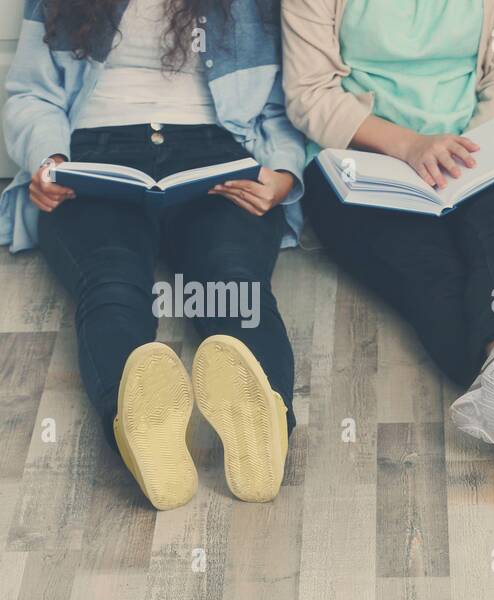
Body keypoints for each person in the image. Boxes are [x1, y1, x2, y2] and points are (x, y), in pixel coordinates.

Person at [283, 0, 494, 473]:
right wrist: (410, 147)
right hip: (359, 163)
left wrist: (461, 162)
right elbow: (309, 94)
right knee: (429, 269)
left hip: (473, 149)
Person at [1, 0, 307, 509]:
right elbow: (30, 93)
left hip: (218, 153)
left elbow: (283, 99)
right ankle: (140, 424)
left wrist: (281, 173)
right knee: (111, 281)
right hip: (93, 155)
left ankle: (266, 417)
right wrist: (49, 158)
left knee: (232, 281)